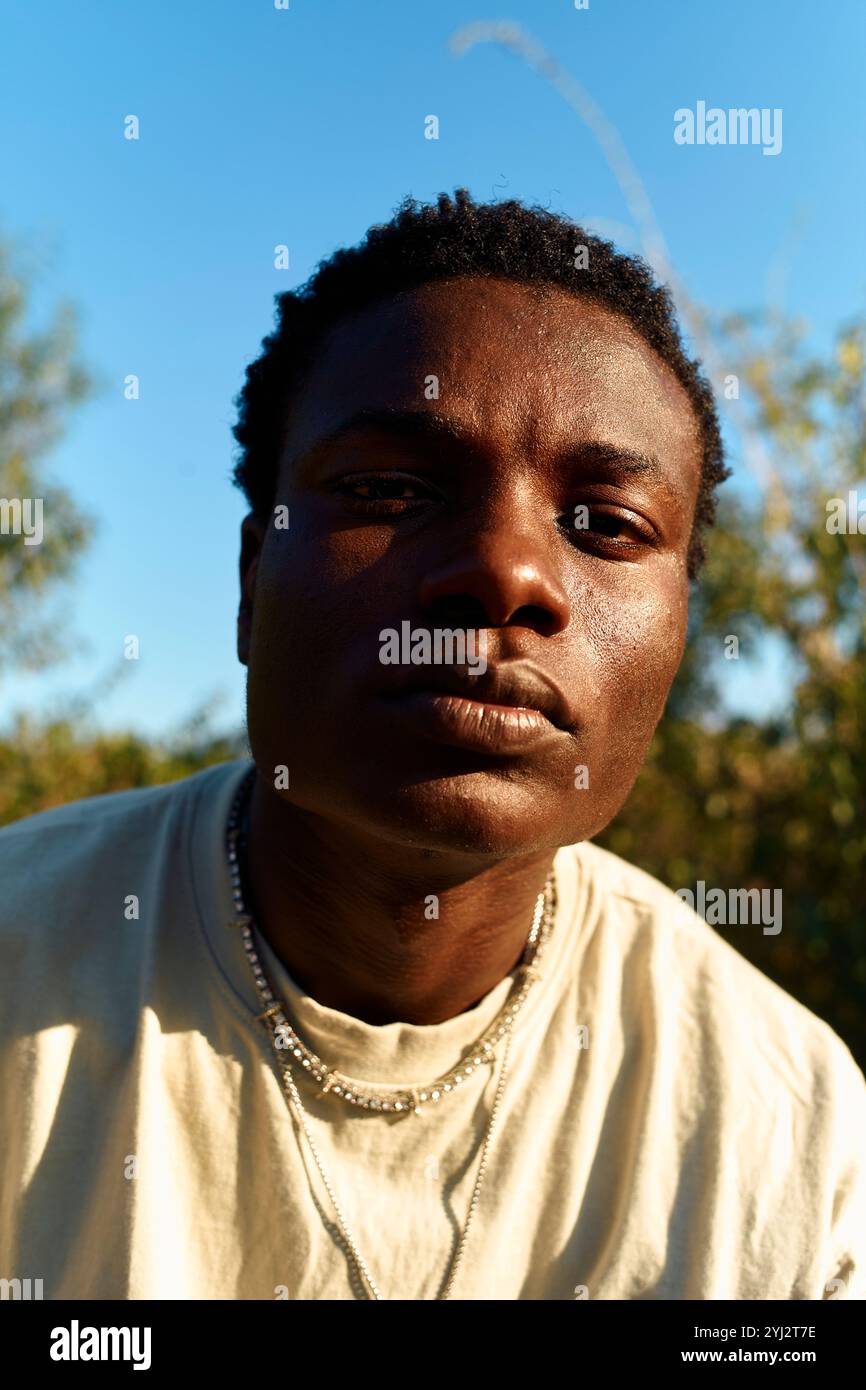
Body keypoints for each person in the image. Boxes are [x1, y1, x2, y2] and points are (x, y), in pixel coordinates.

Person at [1, 190, 863, 1301]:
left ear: (682, 632)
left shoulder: (786, 1132)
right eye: (392, 490)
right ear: (250, 583)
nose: (505, 571)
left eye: (602, 523)